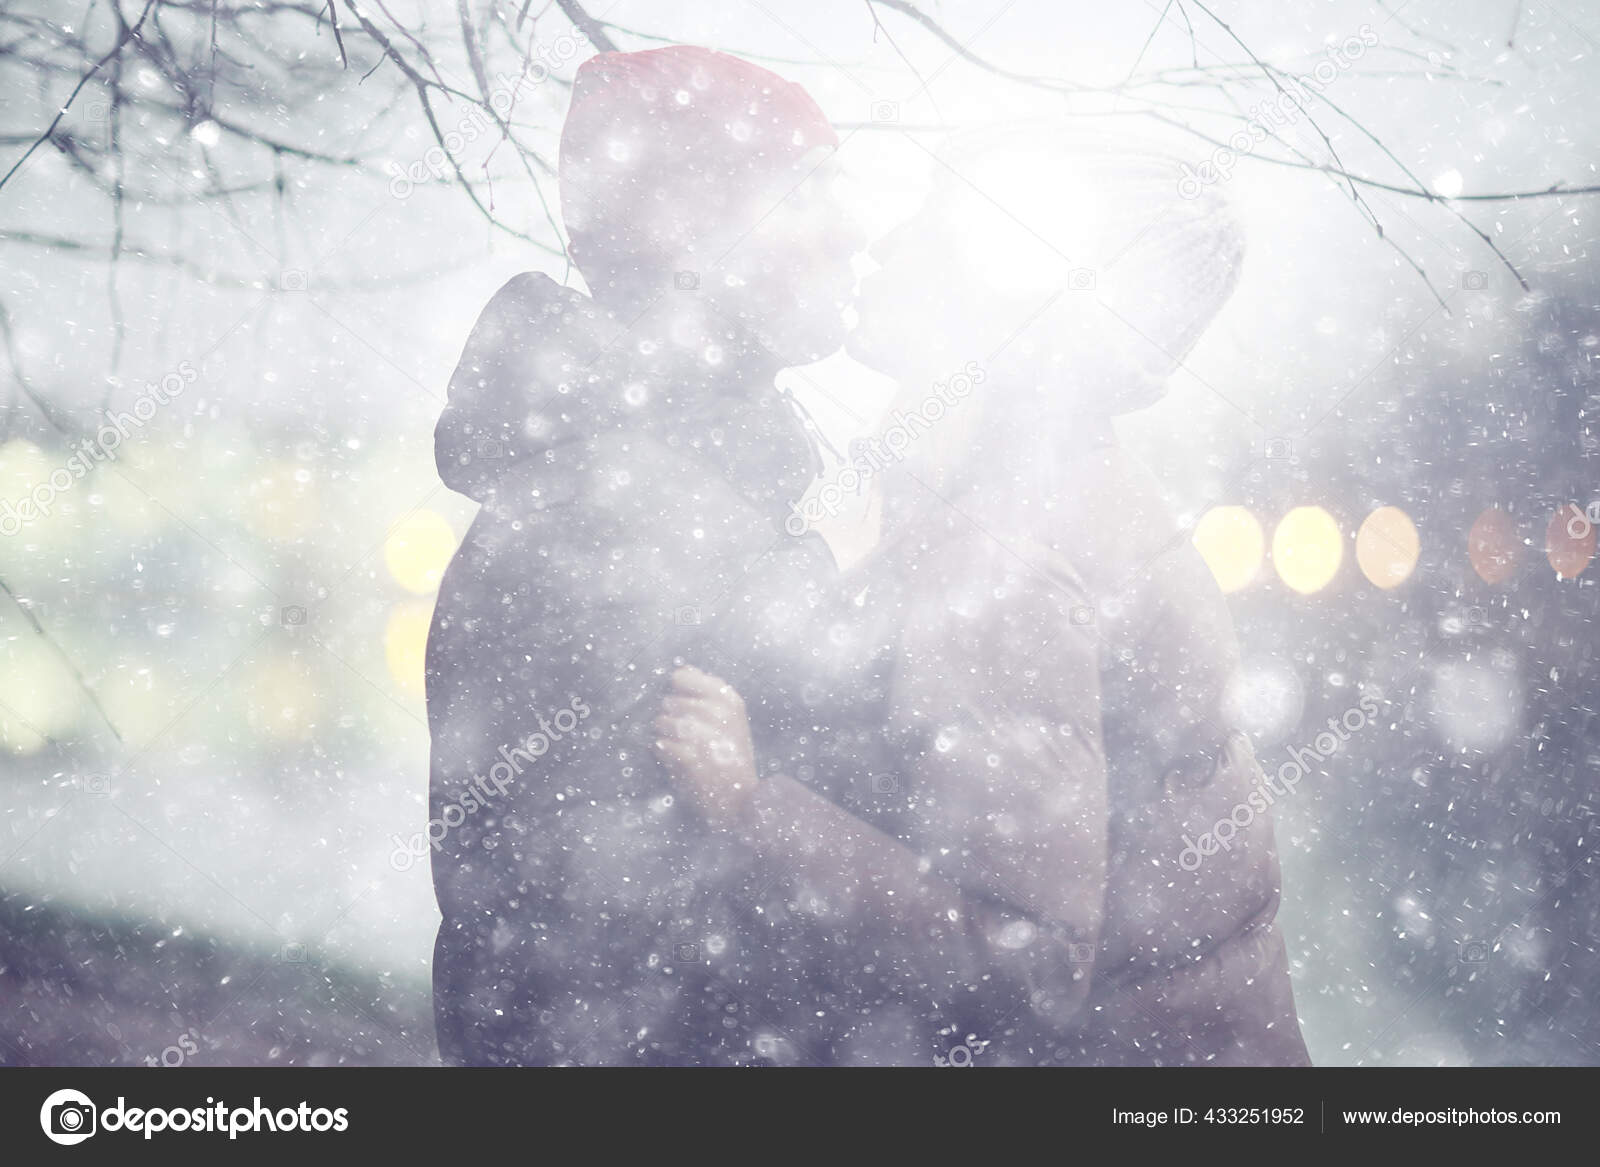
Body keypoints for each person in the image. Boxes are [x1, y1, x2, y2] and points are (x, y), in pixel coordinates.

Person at [654, 129, 1312, 1065]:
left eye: (930, 224)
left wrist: (752, 806)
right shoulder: (1045, 481)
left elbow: (1030, 962)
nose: (882, 244)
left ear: (1007, 286)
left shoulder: (1007, 554)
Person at [425, 45, 862, 1065]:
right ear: (688, 241)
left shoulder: (678, 486)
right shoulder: (614, 522)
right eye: (805, 194)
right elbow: (581, 971)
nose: (855, 231)